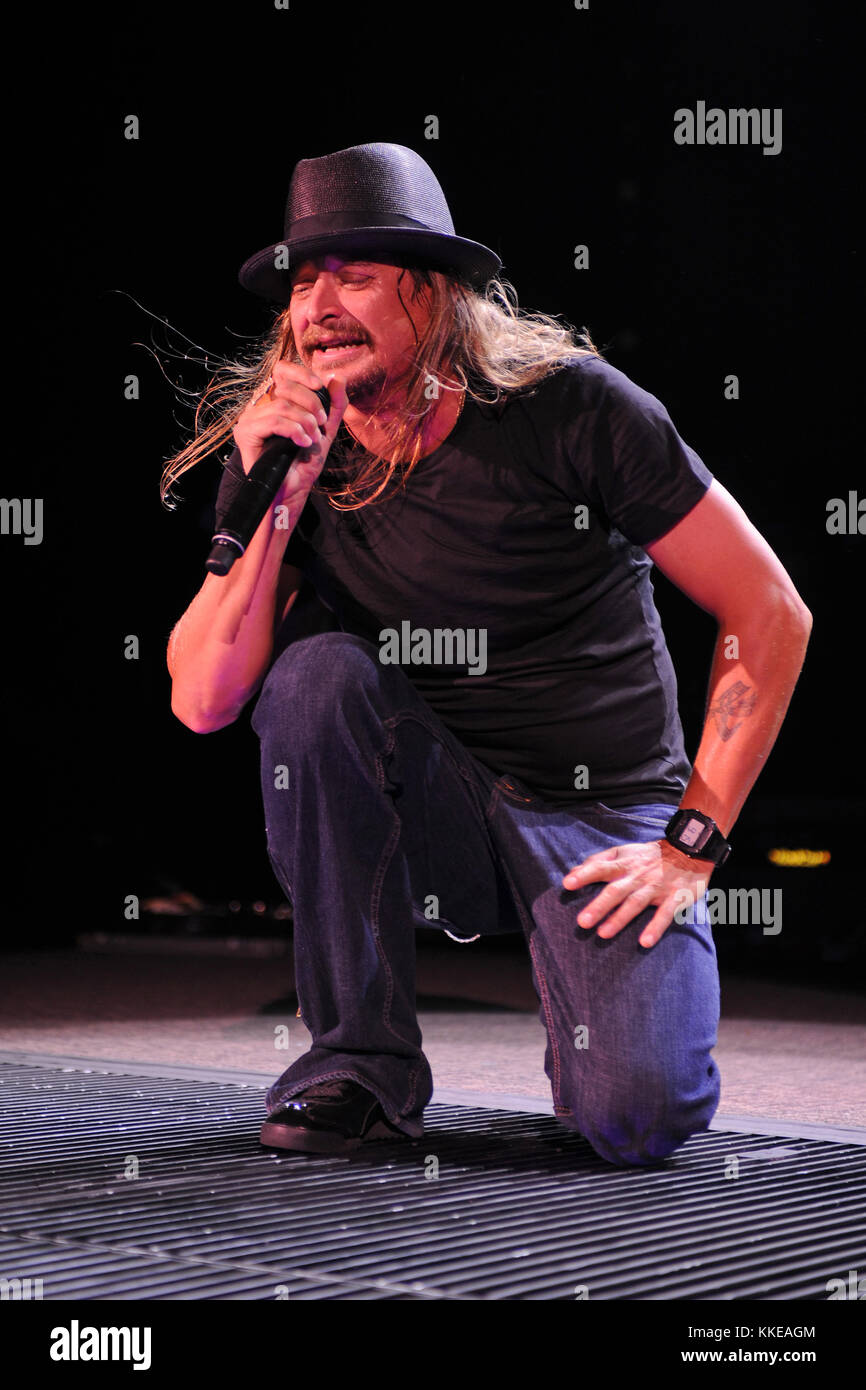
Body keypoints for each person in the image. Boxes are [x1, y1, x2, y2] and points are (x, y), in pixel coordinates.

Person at [165, 143, 812, 1167]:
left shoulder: (574, 410)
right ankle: (357, 1062)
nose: (318, 304)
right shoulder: (299, 455)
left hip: (596, 811)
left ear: (435, 296)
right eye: (303, 279)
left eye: (356, 275)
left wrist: (692, 841)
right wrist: (270, 508)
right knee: (313, 680)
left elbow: (767, 609)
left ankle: (591, 1019)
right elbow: (203, 697)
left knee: (638, 1114)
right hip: (433, 800)